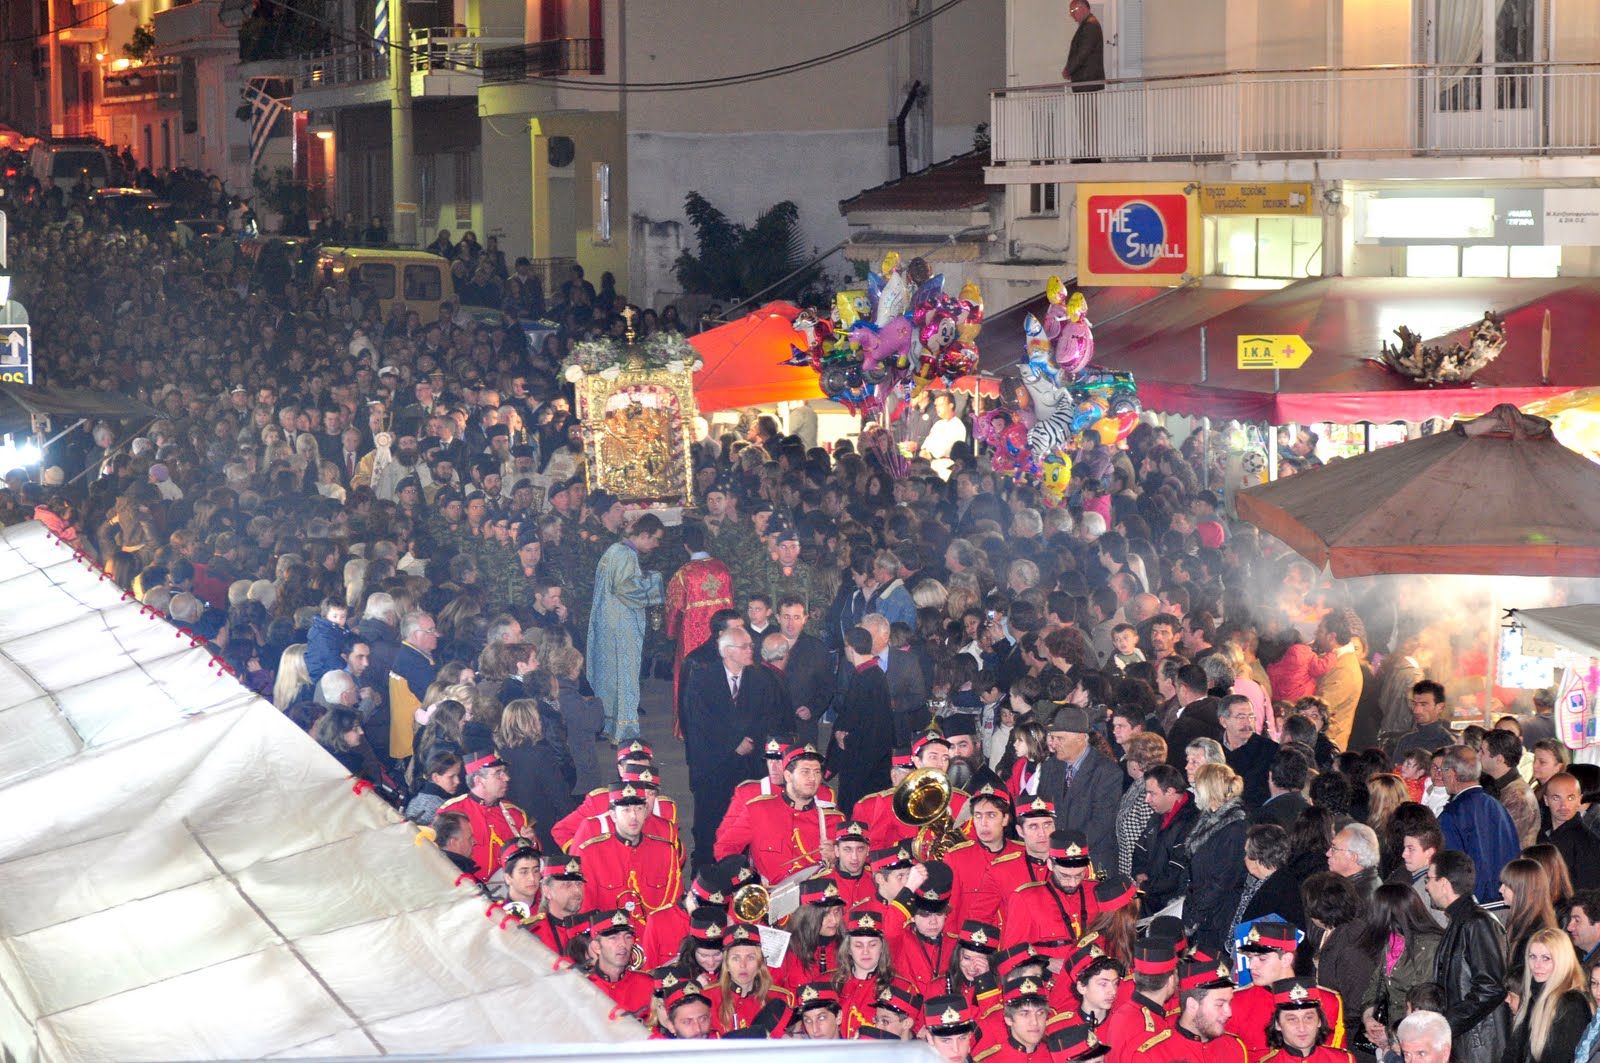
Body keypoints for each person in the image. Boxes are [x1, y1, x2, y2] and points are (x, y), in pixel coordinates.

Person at [684, 625, 785, 869]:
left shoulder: (760, 678)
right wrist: (733, 744)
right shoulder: (702, 680)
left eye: (751, 645)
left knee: (747, 824)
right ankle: (707, 878)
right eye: (746, 646)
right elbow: (699, 721)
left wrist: (750, 740)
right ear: (728, 652)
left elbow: (767, 716)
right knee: (711, 824)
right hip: (714, 766)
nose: (752, 650)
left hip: (749, 766)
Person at [586, 512, 666, 746]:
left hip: (609, 623)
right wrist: (654, 581)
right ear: (643, 535)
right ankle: (625, 731)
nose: (656, 545)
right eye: (655, 539)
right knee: (624, 675)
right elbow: (625, 589)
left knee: (610, 677)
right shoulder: (625, 555)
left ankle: (609, 725)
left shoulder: (614, 550)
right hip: (621, 626)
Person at [1426, 848, 1511, 1061]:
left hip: (1479, 1046)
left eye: (1429, 879)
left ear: (1444, 884)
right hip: (1465, 1041)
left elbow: (1491, 986)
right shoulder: (1460, 921)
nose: (1426, 886)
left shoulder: (1478, 923)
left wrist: (1447, 1023)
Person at [663, 523, 733, 735]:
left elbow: (673, 610)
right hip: (722, 635)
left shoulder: (683, 575)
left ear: (686, 546)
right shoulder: (722, 568)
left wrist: (671, 633)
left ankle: (688, 727)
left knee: (690, 678)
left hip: (692, 637)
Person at [1038, 705, 1123, 875]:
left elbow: (1100, 823)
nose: (1053, 744)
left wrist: (1066, 852)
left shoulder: (1107, 772)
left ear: (1081, 738)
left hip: (1091, 862)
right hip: (1055, 860)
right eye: (1052, 737)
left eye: (1059, 738)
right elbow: (1042, 810)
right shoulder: (1050, 767)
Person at [1437, 744, 1520, 902]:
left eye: (1443, 770)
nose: (1441, 776)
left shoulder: (1452, 815)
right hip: (1506, 900)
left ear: (1453, 773)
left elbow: (1453, 869)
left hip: (1474, 906)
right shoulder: (1498, 807)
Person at [1357, 884, 1443, 1036]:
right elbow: (1377, 985)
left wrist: (1393, 1034)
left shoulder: (1431, 946)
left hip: (1420, 1034)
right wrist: (1369, 1017)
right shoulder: (1389, 941)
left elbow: (1425, 1005)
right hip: (1396, 1031)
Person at [1185, 762, 1249, 955]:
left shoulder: (1235, 828)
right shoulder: (1208, 819)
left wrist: (1194, 913)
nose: (1193, 791)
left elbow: (1223, 880)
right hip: (1203, 909)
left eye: (1197, 786)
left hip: (1219, 916)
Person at [831, 625, 896, 814]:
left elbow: (873, 726)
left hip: (864, 763)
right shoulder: (869, 674)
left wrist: (846, 738)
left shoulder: (869, 677)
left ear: (850, 648)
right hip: (863, 757)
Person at [436, 753, 537, 873]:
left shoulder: (515, 814)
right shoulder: (451, 812)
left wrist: (532, 843)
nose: (506, 778)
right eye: (498, 773)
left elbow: (534, 856)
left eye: (505, 772)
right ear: (479, 781)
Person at [1132, 958, 1245, 1063]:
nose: (1229, 1012)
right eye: (1220, 1004)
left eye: (1229, 1003)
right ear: (1192, 1005)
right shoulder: (1153, 1056)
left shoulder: (1234, 1048)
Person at [1508, 926, 1591, 1063]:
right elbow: (1514, 1051)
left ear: (1562, 961)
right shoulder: (1535, 995)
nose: (1537, 965)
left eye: (1546, 958)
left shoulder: (1571, 1004)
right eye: (1532, 957)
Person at [1540, 772, 1600, 889]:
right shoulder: (1543, 833)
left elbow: (1589, 893)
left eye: (1570, 798)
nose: (1563, 805)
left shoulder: (1588, 842)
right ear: (1546, 800)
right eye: (1556, 798)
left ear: (1579, 800)